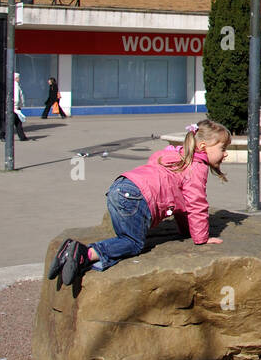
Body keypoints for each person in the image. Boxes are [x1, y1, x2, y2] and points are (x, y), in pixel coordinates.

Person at [47, 119, 230, 287]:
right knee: (133, 243)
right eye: (223, 148)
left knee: (122, 242)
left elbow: (184, 208)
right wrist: (201, 239)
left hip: (119, 187)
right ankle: (84, 254)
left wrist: (188, 232)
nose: (226, 154)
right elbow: (196, 204)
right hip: (135, 198)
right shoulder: (196, 167)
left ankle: (69, 256)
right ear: (204, 146)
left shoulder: (171, 155)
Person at [0, 72, 29, 142]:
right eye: (18, 78)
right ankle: (1, 135)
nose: (19, 79)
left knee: (18, 122)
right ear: (16, 78)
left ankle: (22, 137)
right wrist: (16, 105)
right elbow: (17, 98)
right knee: (10, 122)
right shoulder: (16, 85)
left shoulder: (12, 85)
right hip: (14, 107)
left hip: (13, 107)